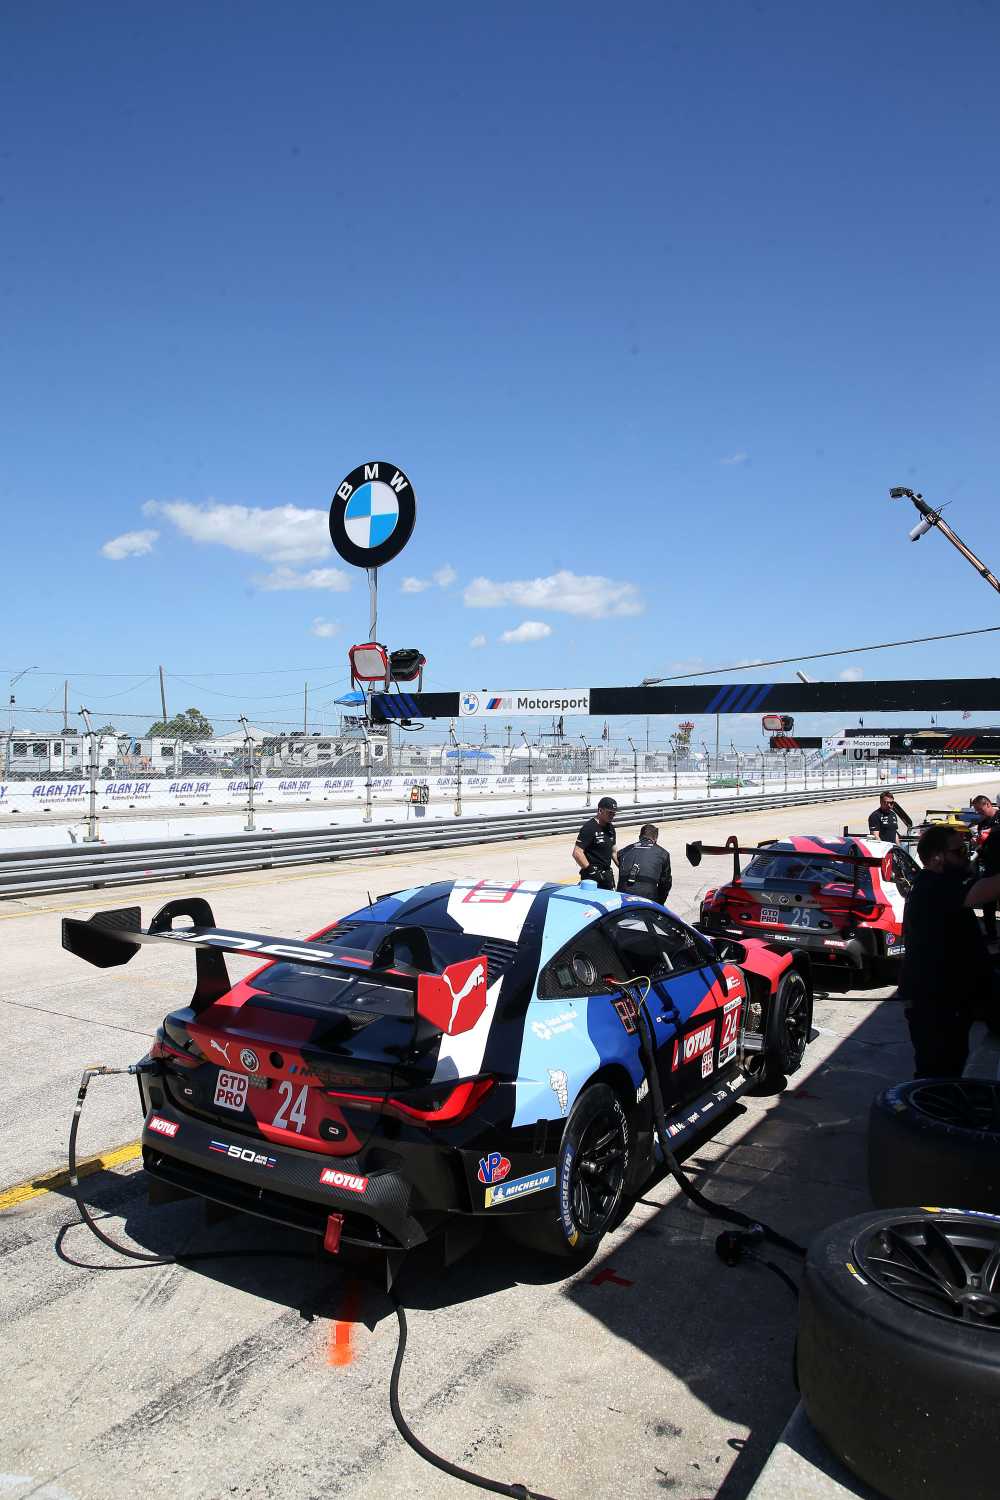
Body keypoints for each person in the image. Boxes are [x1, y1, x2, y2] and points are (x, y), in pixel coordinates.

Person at [898, 823, 1000, 1078]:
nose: (966, 856)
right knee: (936, 1076)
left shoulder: (944, 882)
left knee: (950, 1067)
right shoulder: (933, 886)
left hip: (948, 1000)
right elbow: (980, 893)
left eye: (966, 849)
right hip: (933, 1003)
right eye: (959, 851)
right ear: (936, 857)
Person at [617, 823, 672, 905]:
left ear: (640, 837)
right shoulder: (663, 853)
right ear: (656, 838)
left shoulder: (624, 851)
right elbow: (666, 884)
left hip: (623, 897)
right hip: (648, 898)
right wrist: (659, 904)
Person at [573, 797, 619, 890]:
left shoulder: (610, 828)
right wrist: (591, 871)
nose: (612, 816)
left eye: (614, 813)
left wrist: (622, 867)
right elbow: (577, 853)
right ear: (600, 810)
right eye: (609, 813)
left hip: (606, 875)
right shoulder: (589, 828)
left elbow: (613, 851)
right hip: (591, 877)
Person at [972, 794, 1000, 943]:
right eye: (976, 811)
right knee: (988, 903)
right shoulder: (982, 823)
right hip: (990, 866)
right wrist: (977, 842)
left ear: (988, 804)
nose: (978, 813)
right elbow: (981, 845)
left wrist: (991, 832)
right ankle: (991, 934)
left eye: (980, 810)